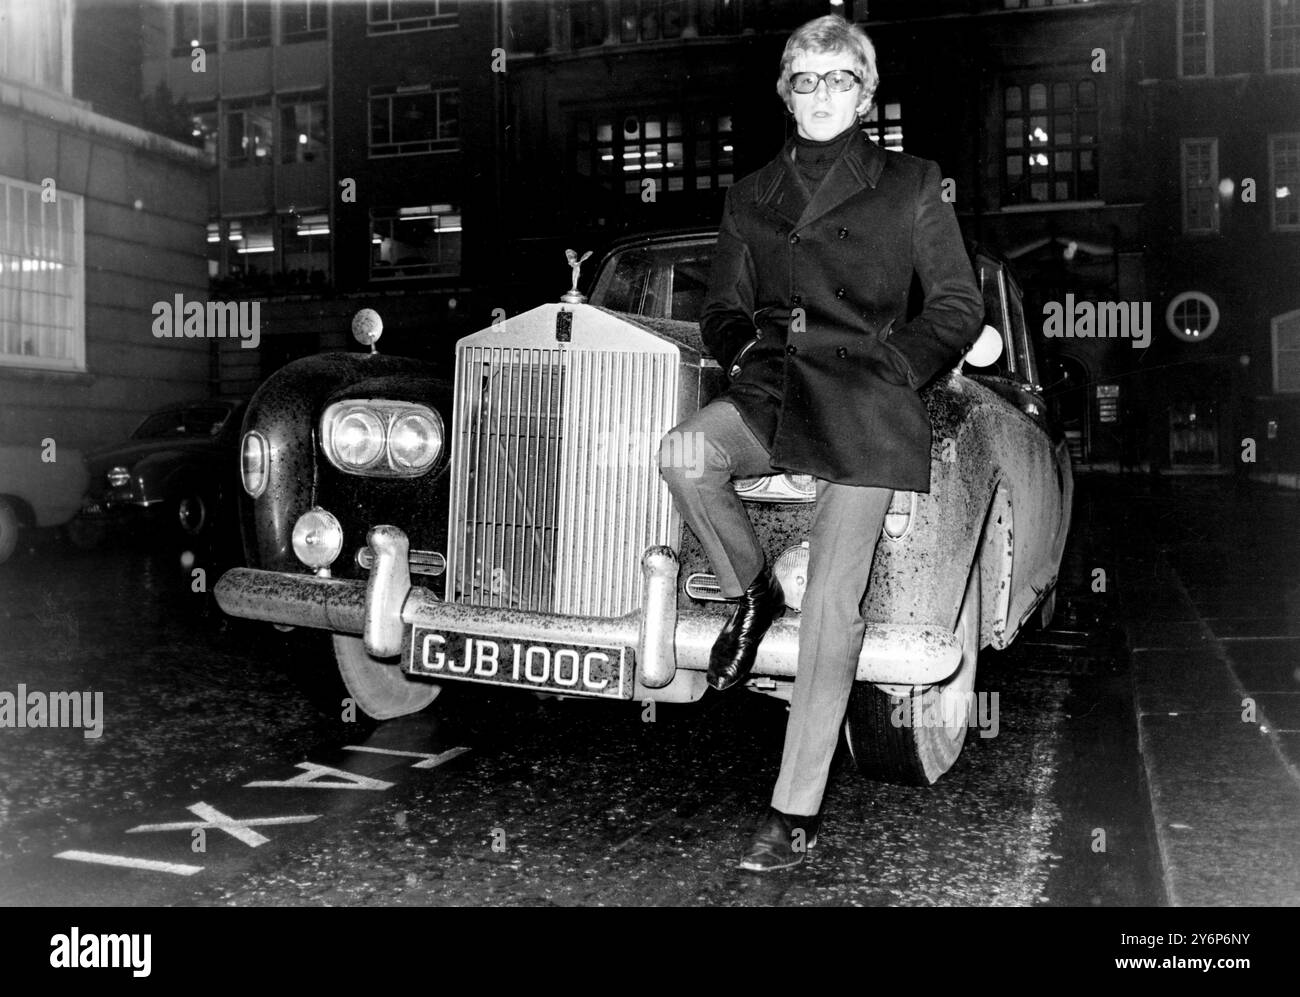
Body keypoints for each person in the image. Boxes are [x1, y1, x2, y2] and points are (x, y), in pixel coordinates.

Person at [658, 14, 983, 872]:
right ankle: (752, 587)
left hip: (868, 405)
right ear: (786, 91)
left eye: (841, 79)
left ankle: (793, 810)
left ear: (867, 93)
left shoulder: (913, 182)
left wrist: (896, 366)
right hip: (771, 387)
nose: (822, 95)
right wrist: (741, 349)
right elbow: (722, 306)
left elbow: (958, 306)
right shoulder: (751, 191)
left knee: (834, 607)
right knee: (683, 457)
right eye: (806, 79)